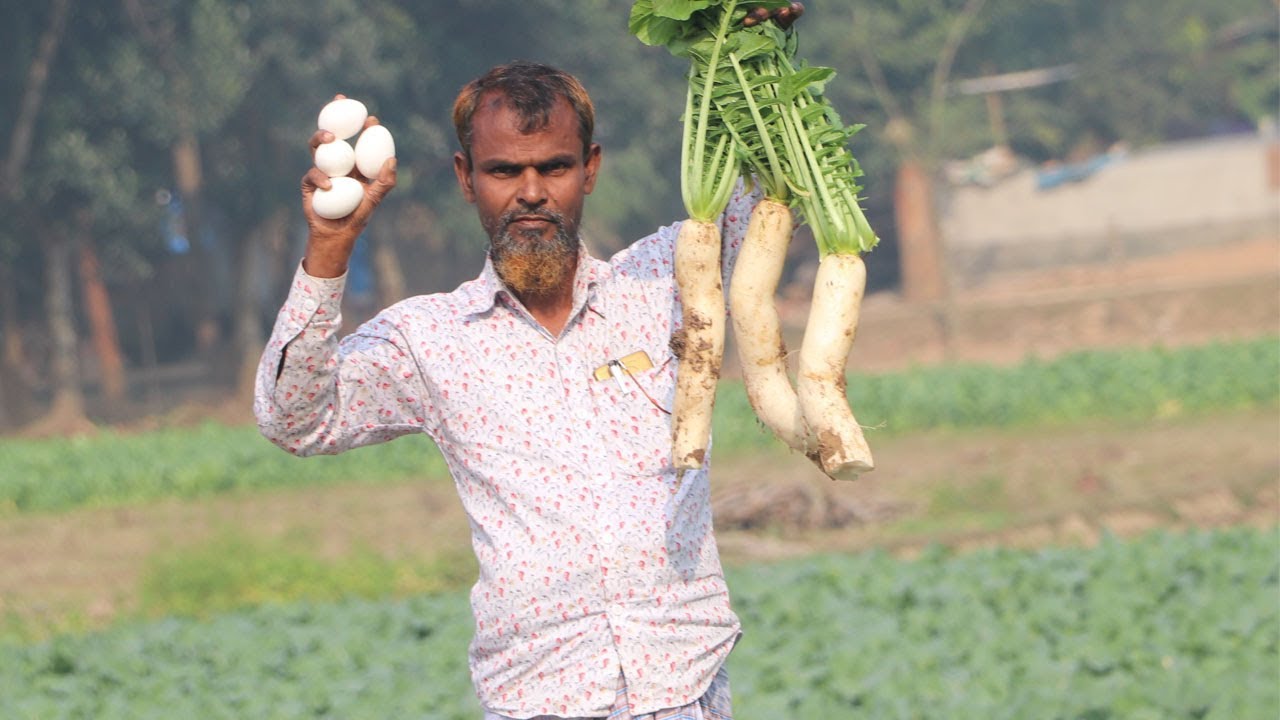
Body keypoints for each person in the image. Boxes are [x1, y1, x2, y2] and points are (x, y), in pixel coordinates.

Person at [256, 11, 800, 717]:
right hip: (541, 697)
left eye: (554, 167)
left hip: (686, 687)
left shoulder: (667, 279)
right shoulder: (429, 340)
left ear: (591, 169)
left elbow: (768, 195)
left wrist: (772, 48)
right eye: (505, 171)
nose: (532, 192)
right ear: (466, 178)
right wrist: (330, 245)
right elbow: (294, 421)